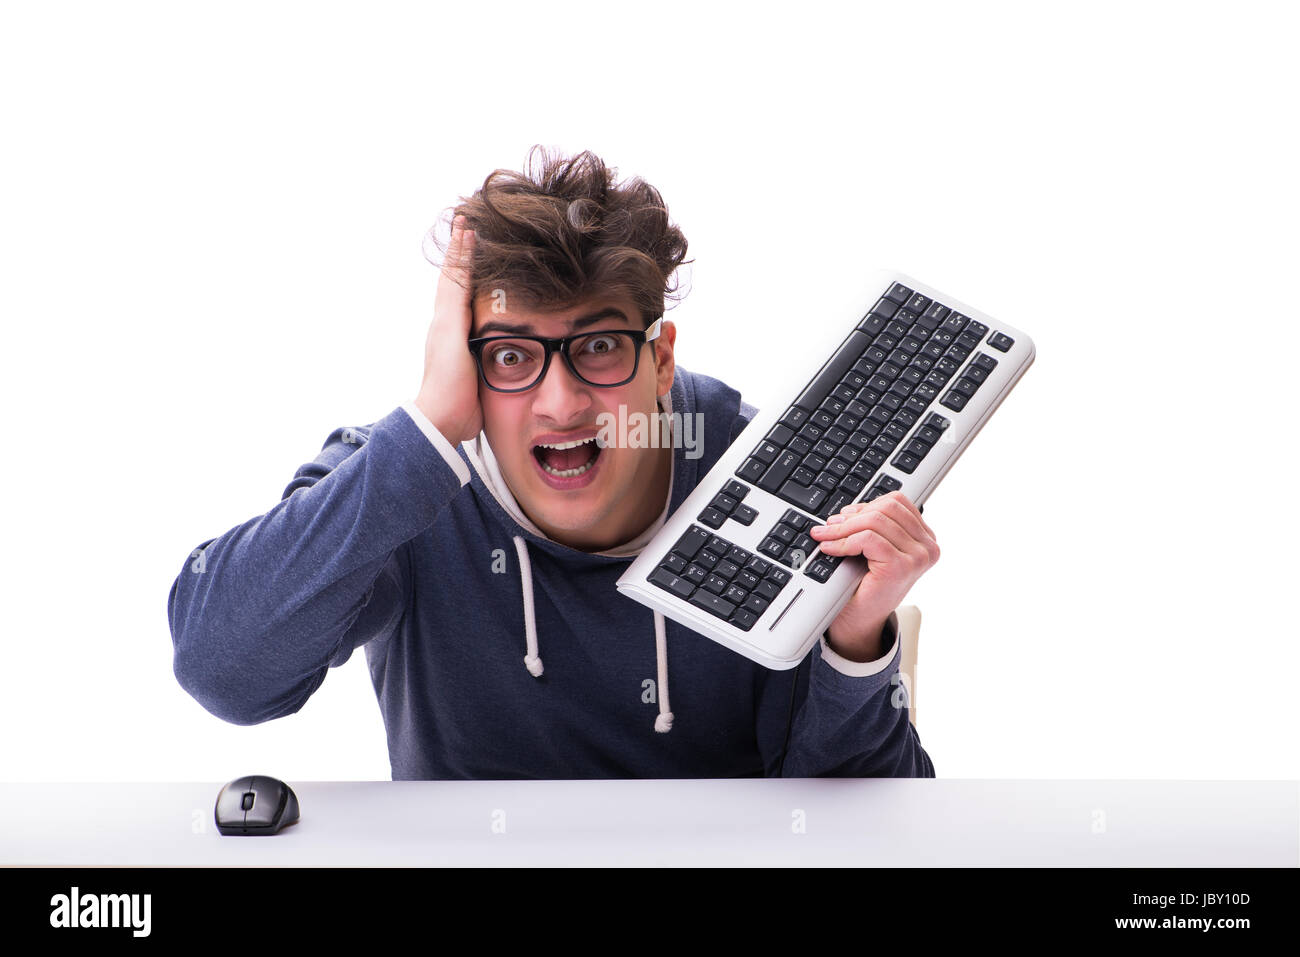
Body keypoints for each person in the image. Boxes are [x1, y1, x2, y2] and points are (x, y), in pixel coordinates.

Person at [168, 146, 939, 779]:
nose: (561, 403)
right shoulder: (404, 478)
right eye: (510, 357)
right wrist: (429, 430)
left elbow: (860, 833)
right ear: (464, 373)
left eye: (599, 347)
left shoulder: (764, 474)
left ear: (660, 360)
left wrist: (855, 641)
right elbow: (221, 670)